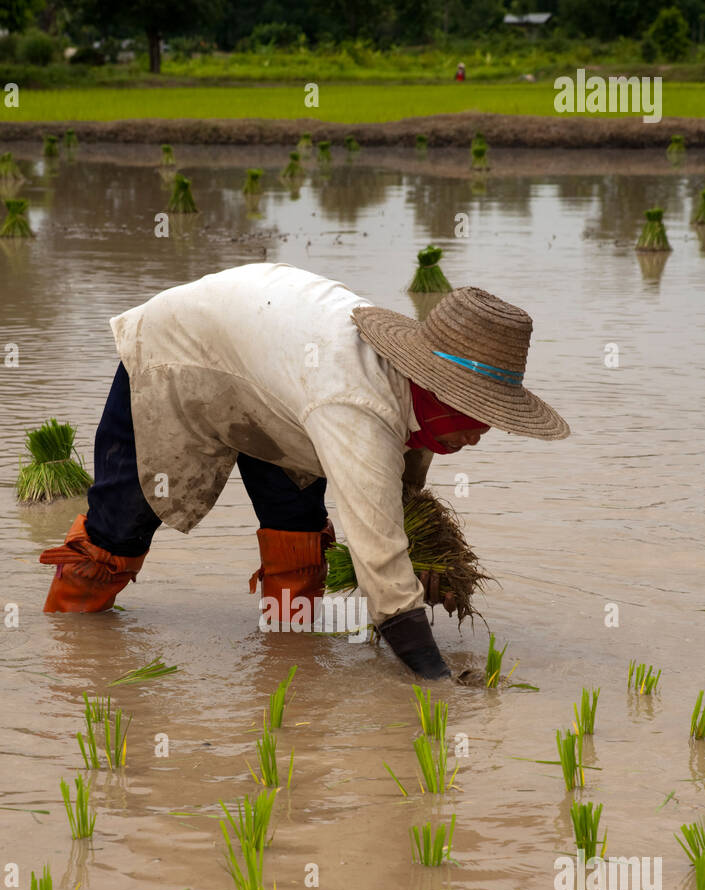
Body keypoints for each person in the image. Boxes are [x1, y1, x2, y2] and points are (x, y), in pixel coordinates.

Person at [39, 263, 569, 680]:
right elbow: (379, 560)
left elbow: (395, 494)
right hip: (180, 354)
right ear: (438, 390)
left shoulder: (414, 397)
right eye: (480, 413)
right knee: (119, 531)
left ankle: (287, 660)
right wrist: (434, 680)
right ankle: (68, 649)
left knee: (297, 534)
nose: (484, 431)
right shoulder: (353, 404)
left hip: (275, 378)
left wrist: (430, 563)